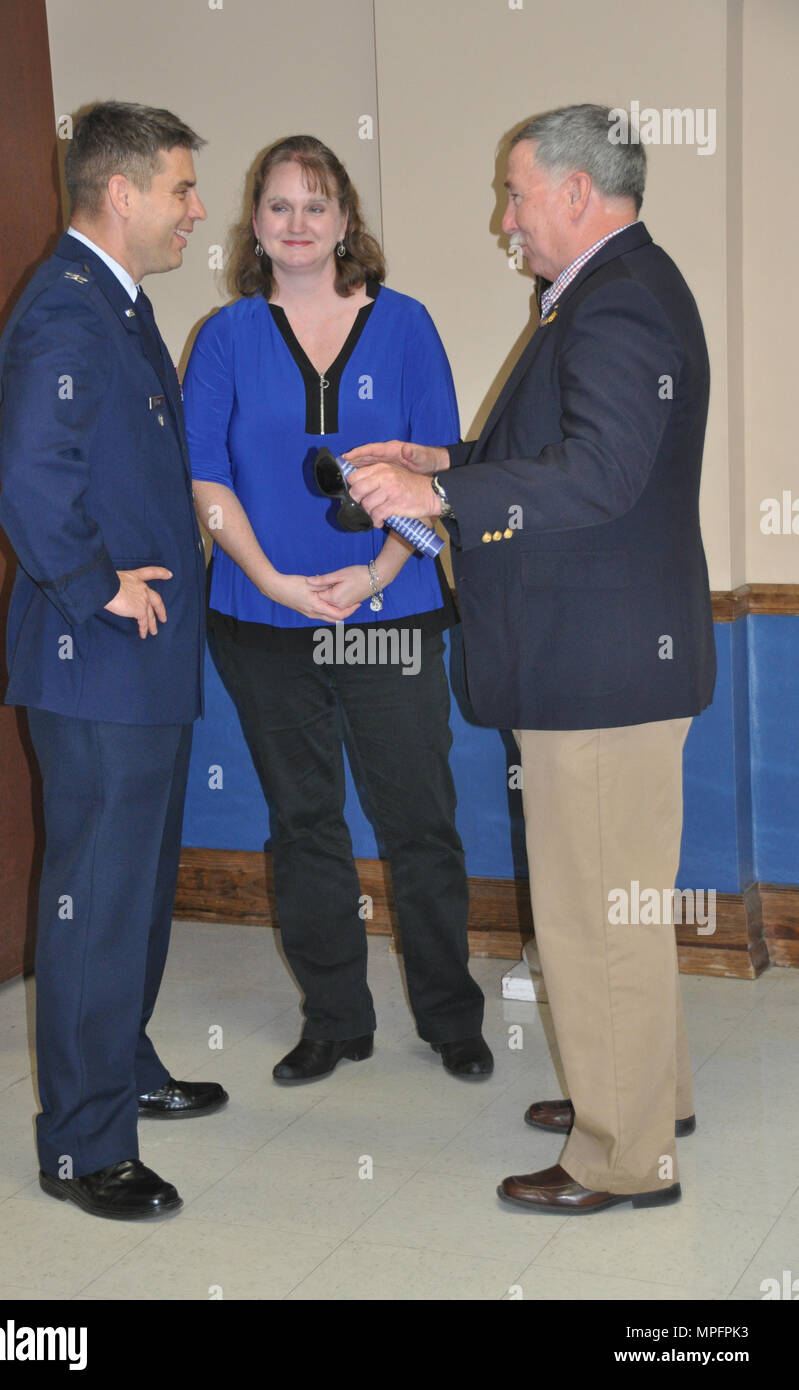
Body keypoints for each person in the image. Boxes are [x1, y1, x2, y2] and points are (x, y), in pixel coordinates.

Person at [346, 104, 716, 1212]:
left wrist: (440, 494)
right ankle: (648, 1094)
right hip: (601, 663)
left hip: (595, 672)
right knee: (617, 912)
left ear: (572, 192)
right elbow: (562, 459)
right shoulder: (611, 294)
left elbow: (598, 476)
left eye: (513, 193)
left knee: (595, 918)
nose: (501, 218)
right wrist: (441, 457)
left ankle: (622, 1154)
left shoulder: (617, 306)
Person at [183, 135, 490, 1083]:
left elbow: (436, 470)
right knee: (304, 823)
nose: (298, 223)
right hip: (261, 618)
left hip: (390, 620)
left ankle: (449, 1018)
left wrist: (380, 575)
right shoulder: (227, 335)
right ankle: (335, 1019)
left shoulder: (405, 325)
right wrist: (274, 581)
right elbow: (203, 475)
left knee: (419, 821)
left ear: (346, 221)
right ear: (256, 226)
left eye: (316, 206)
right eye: (279, 207)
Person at [0, 101, 226, 1222]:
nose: (195, 212)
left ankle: (119, 1063)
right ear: (121, 192)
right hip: (97, 660)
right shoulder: (68, 314)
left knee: (130, 896)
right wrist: (96, 585)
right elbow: (33, 486)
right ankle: (85, 1146)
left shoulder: (116, 307)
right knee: (93, 899)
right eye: (181, 189)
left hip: (141, 666)